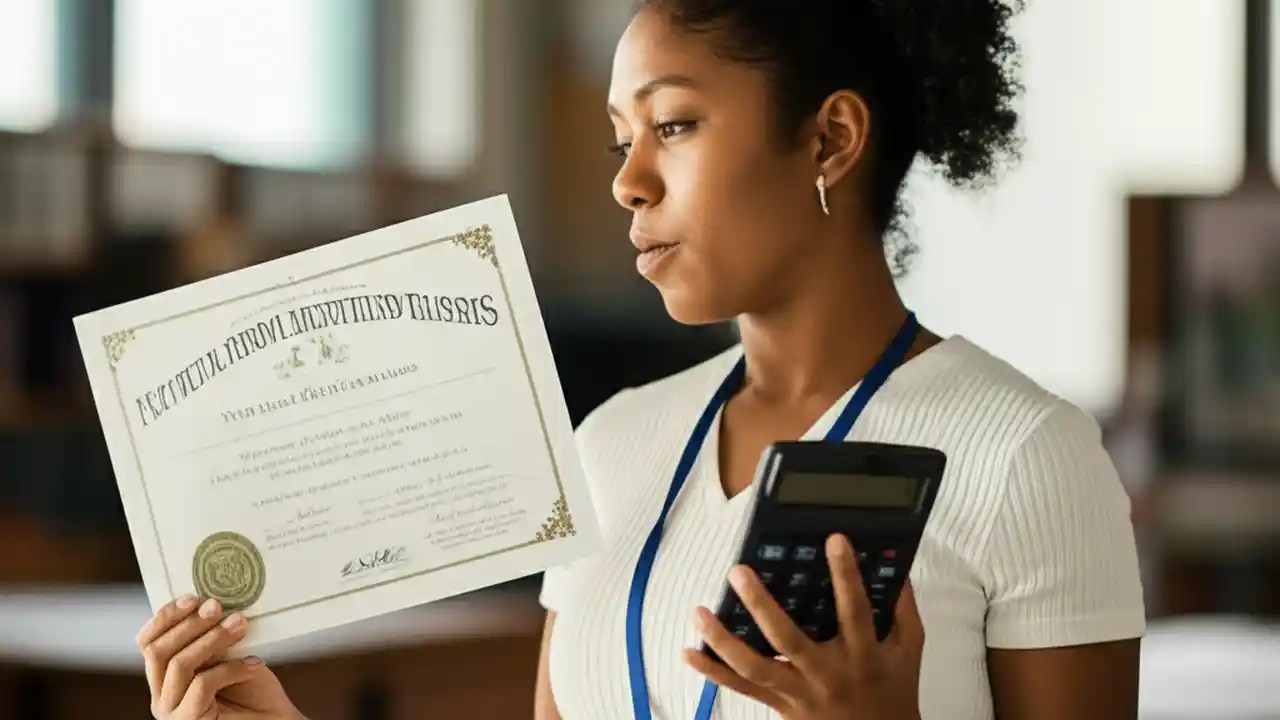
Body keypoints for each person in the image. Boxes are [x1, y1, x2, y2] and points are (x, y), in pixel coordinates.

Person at [136, 1, 1146, 718]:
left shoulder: (1024, 456)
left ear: (831, 138)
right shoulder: (611, 444)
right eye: (622, 136)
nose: (627, 180)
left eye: (671, 124)